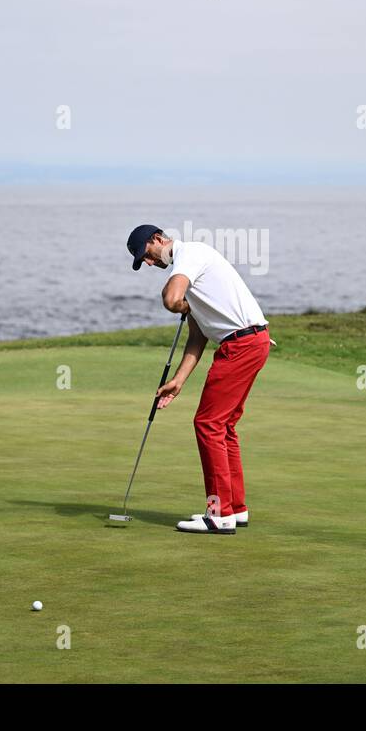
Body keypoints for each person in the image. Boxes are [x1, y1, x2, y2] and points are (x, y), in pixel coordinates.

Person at [126, 224, 271, 535]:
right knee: (224, 425)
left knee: (208, 424)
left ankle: (218, 514)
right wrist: (179, 380)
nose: (149, 263)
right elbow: (197, 335)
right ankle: (235, 509)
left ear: (157, 239)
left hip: (241, 345)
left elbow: (169, 298)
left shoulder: (190, 254)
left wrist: (181, 303)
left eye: (146, 255)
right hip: (251, 342)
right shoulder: (189, 273)